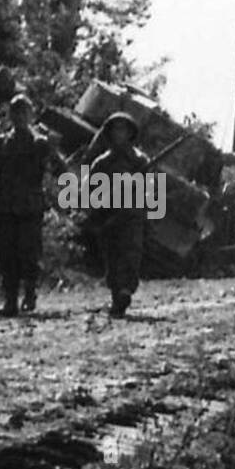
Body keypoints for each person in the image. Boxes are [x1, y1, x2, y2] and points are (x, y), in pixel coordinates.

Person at [0, 93, 65, 317]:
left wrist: (53, 150)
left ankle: (30, 291)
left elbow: (60, 170)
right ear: (10, 115)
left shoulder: (39, 142)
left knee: (29, 253)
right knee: (6, 254)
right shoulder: (0, 143)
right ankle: (10, 299)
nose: (20, 117)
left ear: (30, 115)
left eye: (24, 112)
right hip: (5, 205)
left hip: (30, 206)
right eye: (16, 112)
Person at [88, 111, 151, 318]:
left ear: (130, 133)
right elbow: (93, 193)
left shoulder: (140, 161)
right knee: (112, 258)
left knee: (131, 254)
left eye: (123, 129)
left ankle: (125, 291)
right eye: (116, 129)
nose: (119, 133)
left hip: (132, 216)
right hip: (110, 217)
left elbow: (150, 192)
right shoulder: (102, 163)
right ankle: (117, 295)